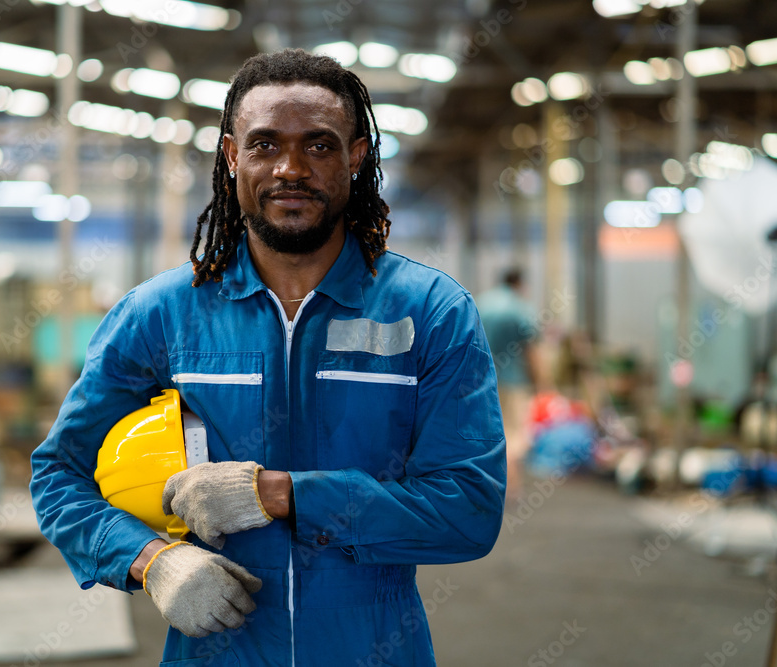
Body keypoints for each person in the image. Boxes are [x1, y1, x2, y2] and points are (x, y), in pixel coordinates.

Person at [30, 48, 506, 666]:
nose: (290, 168)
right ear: (231, 156)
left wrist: (282, 494)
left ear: (356, 156)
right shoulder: (162, 315)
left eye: (319, 146)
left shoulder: (430, 313)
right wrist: (152, 560)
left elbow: (467, 507)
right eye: (263, 145)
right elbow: (60, 475)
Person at [477, 267, 541, 500]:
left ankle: (486, 483)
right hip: (514, 382)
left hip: (482, 381)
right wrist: (542, 383)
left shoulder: (482, 303)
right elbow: (530, 350)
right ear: (520, 283)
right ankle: (511, 485)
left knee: (488, 431)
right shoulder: (520, 309)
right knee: (513, 433)